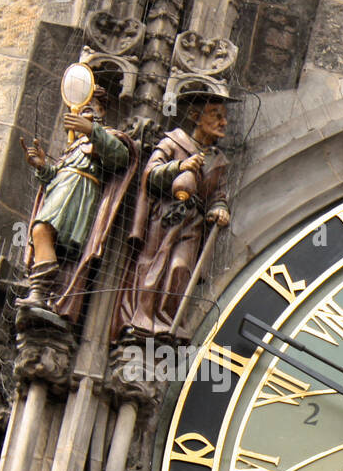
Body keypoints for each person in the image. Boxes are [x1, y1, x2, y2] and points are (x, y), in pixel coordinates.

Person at [113, 93, 231, 341]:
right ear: (195, 116)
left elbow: (218, 193)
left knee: (180, 268)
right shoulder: (172, 142)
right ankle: (142, 318)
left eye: (225, 118)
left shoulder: (218, 161)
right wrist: (179, 167)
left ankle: (166, 322)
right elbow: (151, 174)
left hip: (194, 222)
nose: (223, 123)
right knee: (154, 263)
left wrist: (219, 208)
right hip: (166, 214)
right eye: (216, 116)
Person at [18, 88, 136, 322]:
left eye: (91, 106)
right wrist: (42, 166)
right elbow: (56, 178)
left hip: (80, 195)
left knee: (42, 230)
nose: (84, 111)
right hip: (63, 192)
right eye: (81, 107)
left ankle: (40, 292)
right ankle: (40, 292)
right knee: (40, 232)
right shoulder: (73, 146)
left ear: (102, 110)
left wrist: (92, 130)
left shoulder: (108, 136)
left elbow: (120, 157)